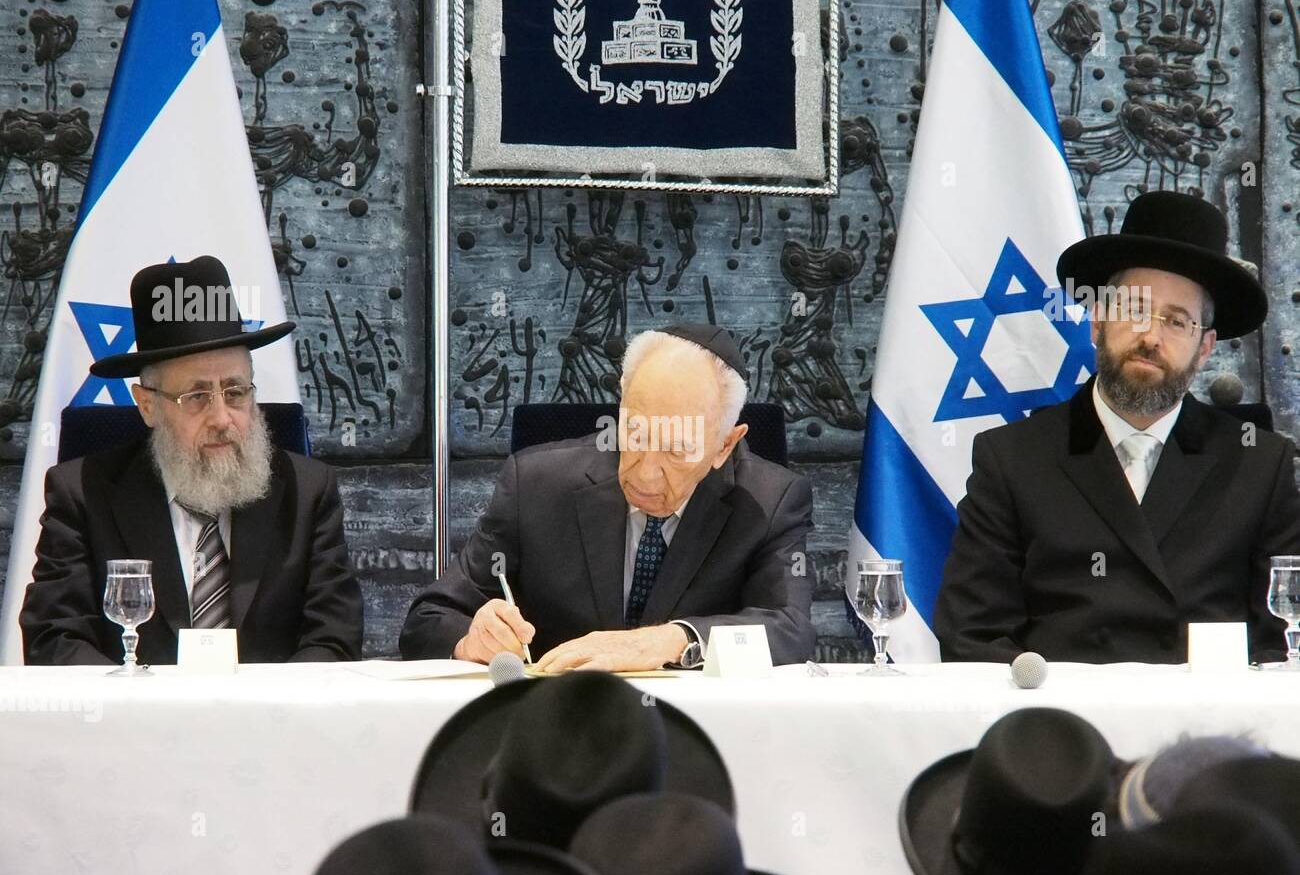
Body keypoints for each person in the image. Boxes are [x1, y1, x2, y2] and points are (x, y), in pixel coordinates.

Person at [935, 191, 1300, 664]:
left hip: (1207, 729)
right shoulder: (1013, 458)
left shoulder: (1258, 463)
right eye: (1134, 310)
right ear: (1097, 321)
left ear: (1205, 347)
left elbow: (1285, 638)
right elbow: (973, 636)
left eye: (1177, 321)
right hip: (1063, 727)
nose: (1151, 336)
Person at [400, 324, 815, 670]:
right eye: (635, 434)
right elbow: (428, 620)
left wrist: (670, 640)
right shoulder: (536, 484)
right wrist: (473, 639)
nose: (646, 473)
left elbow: (789, 629)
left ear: (726, 445)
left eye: (676, 449)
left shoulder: (770, 499)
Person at [21, 255, 363, 665]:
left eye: (235, 392)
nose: (222, 418)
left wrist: (266, 720)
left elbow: (334, 638)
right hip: (133, 726)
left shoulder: (307, 492)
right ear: (147, 406)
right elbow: (54, 638)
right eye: (196, 397)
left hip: (271, 725)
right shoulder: (82, 494)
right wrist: (151, 718)